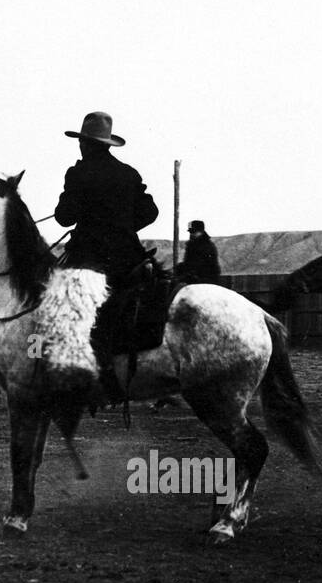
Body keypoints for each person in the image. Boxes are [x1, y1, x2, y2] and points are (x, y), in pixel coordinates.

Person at [54, 111, 159, 401]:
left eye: (81, 142)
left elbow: (64, 218)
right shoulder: (129, 173)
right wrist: (123, 226)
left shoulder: (78, 173)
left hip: (90, 261)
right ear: (107, 144)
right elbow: (150, 212)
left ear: (85, 143)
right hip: (129, 259)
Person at [175, 220, 221, 285]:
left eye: (194, 231)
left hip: (206, 281)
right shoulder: (191, 245)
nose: (191, 234)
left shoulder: (207, 246)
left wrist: (192, 274)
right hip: (193, 279)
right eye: (190, 232)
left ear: (201, 231)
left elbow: (209, 267)